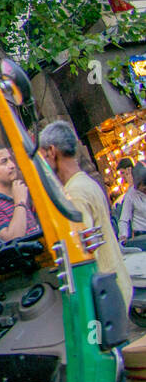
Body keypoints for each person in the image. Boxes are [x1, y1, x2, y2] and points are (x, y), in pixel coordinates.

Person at [37, 120, 130, 309]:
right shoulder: (86, 183)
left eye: (42, 156)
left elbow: (82, 252)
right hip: (116, 284)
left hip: (104, 295)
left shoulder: (74, 194)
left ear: (52, 151)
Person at [0, 144, 37, 241]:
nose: (12, 165)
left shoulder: (22, 192)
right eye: (4, 162)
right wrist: (20, 203)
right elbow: (13, 239)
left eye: (11, 159)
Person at [117, 162, 146, 242]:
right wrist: (123, 235)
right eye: (142, 186)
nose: (144, 188)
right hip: (142, 236)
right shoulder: (131, 194)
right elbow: (124, 219)